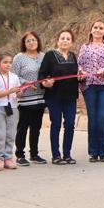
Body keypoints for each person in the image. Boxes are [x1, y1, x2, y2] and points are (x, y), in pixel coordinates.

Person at [78, 19, 104, 163]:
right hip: (89, 86)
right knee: (93, 117)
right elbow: (79, 64)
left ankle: (103, 151)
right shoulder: (85, 47)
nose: (97, 30)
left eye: (101, 28)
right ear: (91, 30)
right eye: (95, 27)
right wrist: (81, 72)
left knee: (102, 117)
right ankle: (93, 152)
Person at [38, 29, 81, 165]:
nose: (65, 41)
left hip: (70, 96)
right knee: (56, 124)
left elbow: (76, 74)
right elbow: (42, 74)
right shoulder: (50, 55)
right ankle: (56, 155)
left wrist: (81, 77)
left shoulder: (73, 56)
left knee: (70, 124)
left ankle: (67, 154)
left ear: (72, 42)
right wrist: (46, 82)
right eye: (62, 38)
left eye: (68, 39)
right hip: (54, 96)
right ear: (57, 41)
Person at [13, 30, 46, 165]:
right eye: (28, 41)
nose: (31, 42)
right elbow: (13, 76)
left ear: (38, 41)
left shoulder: (43, 56)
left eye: (34, 40)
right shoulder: (19, 58)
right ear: (24, 43)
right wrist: (25, 83)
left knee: (36, 127)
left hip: (40, 97)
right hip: (25, 98)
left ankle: (34, 154)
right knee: (23, 127)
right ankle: (20, 154)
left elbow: (47, 73)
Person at [0, 53, 20, 171]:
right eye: (5, 62)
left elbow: (18, 93)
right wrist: (10, 91)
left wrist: (20, 91)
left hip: (13, 107)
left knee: (11, 134)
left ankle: (8, 157)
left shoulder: (14, 77)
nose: (8, 65)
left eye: (10, 62)